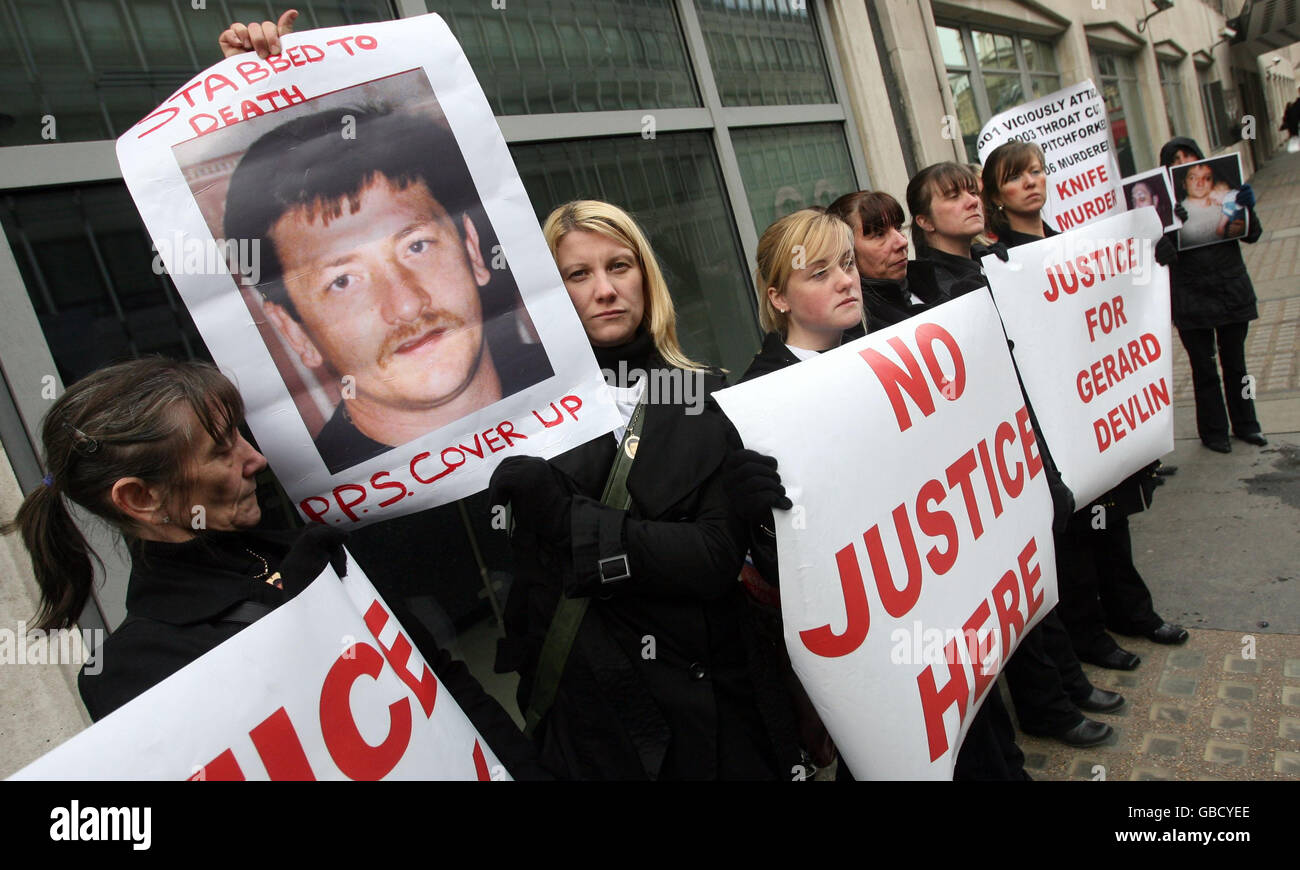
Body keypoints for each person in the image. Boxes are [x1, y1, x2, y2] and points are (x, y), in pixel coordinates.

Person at [1, 357, 546, 776]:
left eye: (240, 433)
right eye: (220, 450)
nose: (253, 458)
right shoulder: (136, 669)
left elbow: (440, 680)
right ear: (140, 498)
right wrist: (304, 620)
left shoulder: (299, 551)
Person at [488, 201, 799, 780]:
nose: (604, 289)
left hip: (718, 711)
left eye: (619, 266)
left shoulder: (702, 392)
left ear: (646, 277)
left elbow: (712, 559)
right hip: (604, 723)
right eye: (577, 275)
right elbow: (540, 585)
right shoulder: (519, 422)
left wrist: (570, 521)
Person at [730, 207, 1031, 780]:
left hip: (942, 611)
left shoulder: (888, 354)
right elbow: (782, 567)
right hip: (875, 644)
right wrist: (757, 513)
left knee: (988, 745)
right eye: (818, 273)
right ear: (779, 298)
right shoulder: (757, 402)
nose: (845, 280)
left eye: (846, 264)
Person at [222, 105, 551, 474]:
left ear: (473, 250)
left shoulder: (592, 387)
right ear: (294, 332)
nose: (407, 305)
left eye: (417, 246)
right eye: (343, 281)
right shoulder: (322, 517)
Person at [981, 142, 1189, 674]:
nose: (1032, 182)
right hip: (1050, 420)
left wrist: (1150, 260)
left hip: (1093, 403)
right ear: (997, 195)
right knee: (1075, 535)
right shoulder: (993, 264)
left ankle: (1133, 611)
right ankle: (1089, 633)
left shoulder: (1072, 243)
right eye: (1016, 177)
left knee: (1114, 517)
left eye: (1037, 172)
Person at [1160, 137, 1267, 454]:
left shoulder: (1227, 197)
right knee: (1204, 368)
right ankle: (1213, 432)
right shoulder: (1162, 207)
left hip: (1229, 288)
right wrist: (1166, 226)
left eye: (1189, 157)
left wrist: (1246, 209)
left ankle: (1248, 425)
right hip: (1190, 295)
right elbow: (1156, 254)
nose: (1184, 164)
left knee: (1237, 365)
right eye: (1175, 160)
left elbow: (1254, 234)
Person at [825, 190, 944, 332]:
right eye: (879, 235)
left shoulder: (941, 283)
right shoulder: (855, 329)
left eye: (898, 227)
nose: (902, 242)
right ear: (846, 251)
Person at [1174, 158, 1248, 247]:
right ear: (1184, 183)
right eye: (1193, 178)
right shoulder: (1176, 213)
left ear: (1212, 182)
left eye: (1207, 178)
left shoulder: (1226, 206)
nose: (1200, 183)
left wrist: (1244, 228)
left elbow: (1253, 234)